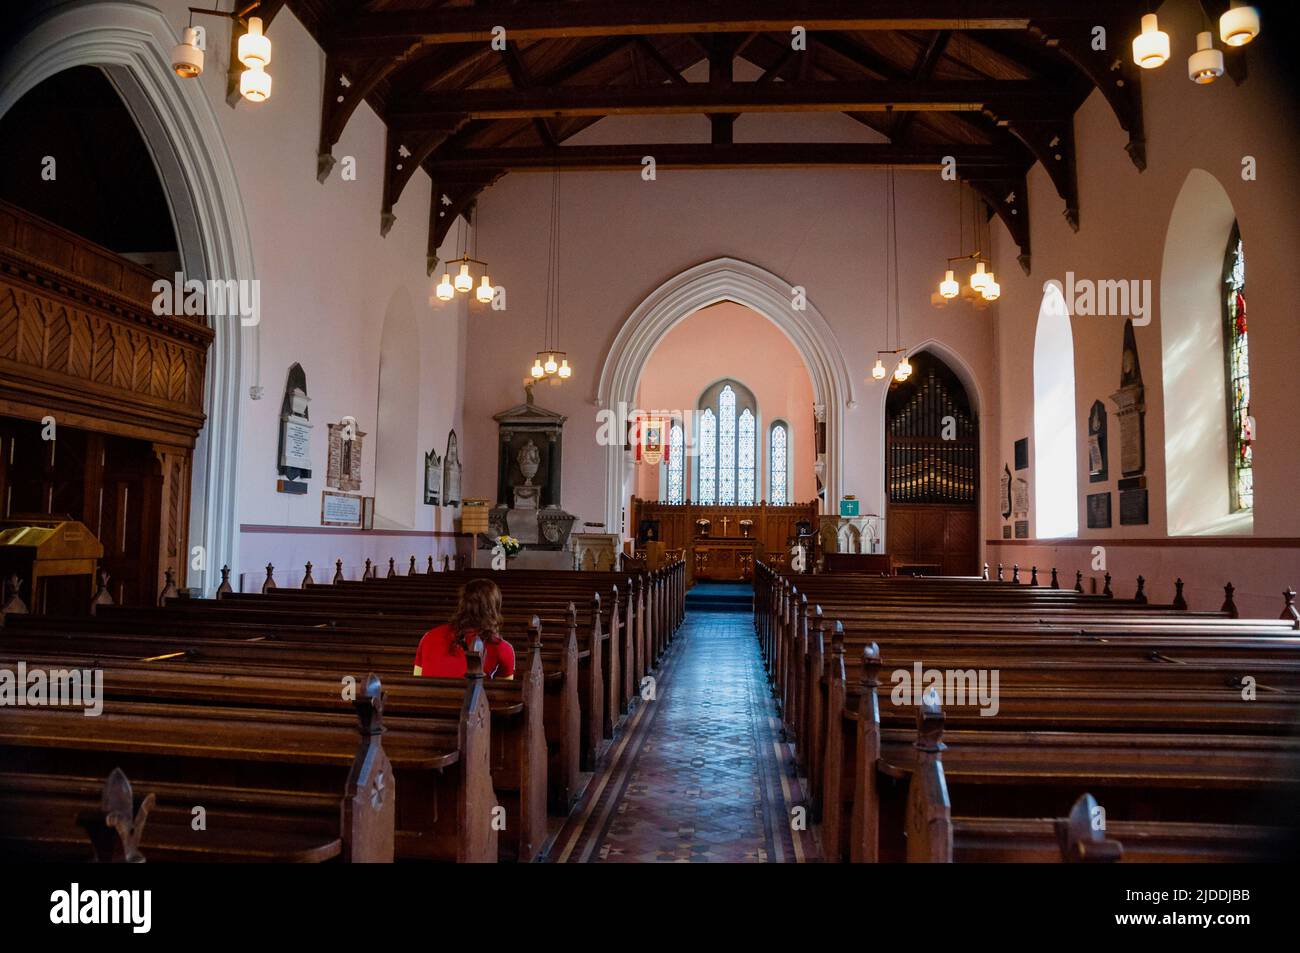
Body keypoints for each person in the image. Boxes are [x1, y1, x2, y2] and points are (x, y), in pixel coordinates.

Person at [413, 578, 515, 679]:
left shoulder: (429, 637)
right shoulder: (502, 648)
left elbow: (416, 681)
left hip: (427, 694)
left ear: (462, 604)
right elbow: (504, 690)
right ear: (495, 608)